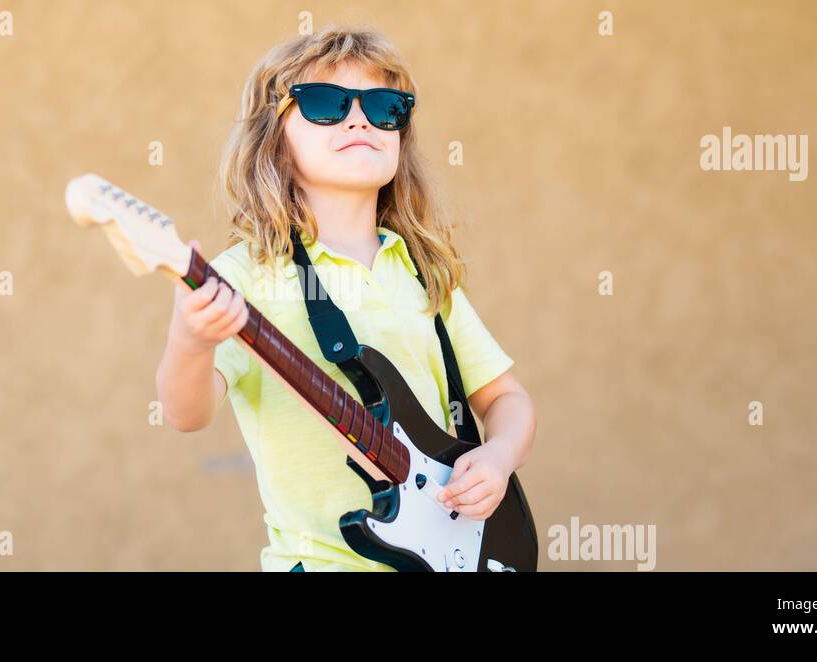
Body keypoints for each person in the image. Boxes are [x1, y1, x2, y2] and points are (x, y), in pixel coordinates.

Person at [155, 26, 537, 571]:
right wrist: (188, 340)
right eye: (326, 103)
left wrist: (497, 459)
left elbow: (509, 400)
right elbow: (184, 414)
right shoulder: (247, 276)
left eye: (385, 107)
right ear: (274, 142)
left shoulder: (420, 271)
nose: (359, 118)